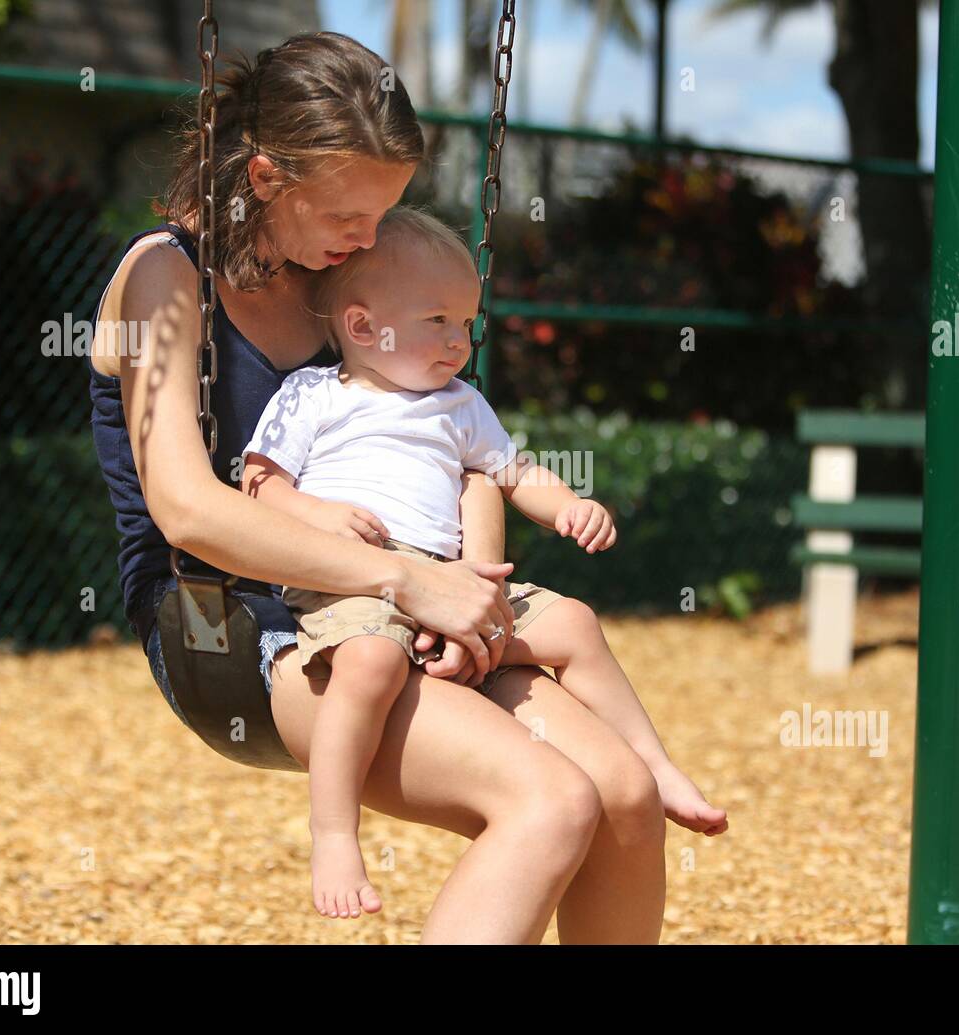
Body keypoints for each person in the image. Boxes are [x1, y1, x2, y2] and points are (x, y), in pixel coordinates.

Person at [87, 31, 710, 945]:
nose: (369, 239)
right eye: (351, 215)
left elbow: (460, 448)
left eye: (387, 213)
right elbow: (188, 507)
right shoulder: (164, 281)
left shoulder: (341, 277)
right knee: (550, 803)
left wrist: (476, 600)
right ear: (264, 178)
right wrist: (407, 583)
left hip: (412, 600)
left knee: (622, 797)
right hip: (246, 627)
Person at [239, 205, 728, 921]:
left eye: (466, 324)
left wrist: (565, 506)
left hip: (452, 578)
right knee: (370, 663)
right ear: (363, 326)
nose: (457, 342)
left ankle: (652, 765)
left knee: (578, 624)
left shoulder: (460, 404)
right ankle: (335, 832)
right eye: (437, 320)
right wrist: (319, 516)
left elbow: (513, 471)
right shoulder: (315, 395)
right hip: (355, 576)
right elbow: (260, 483)